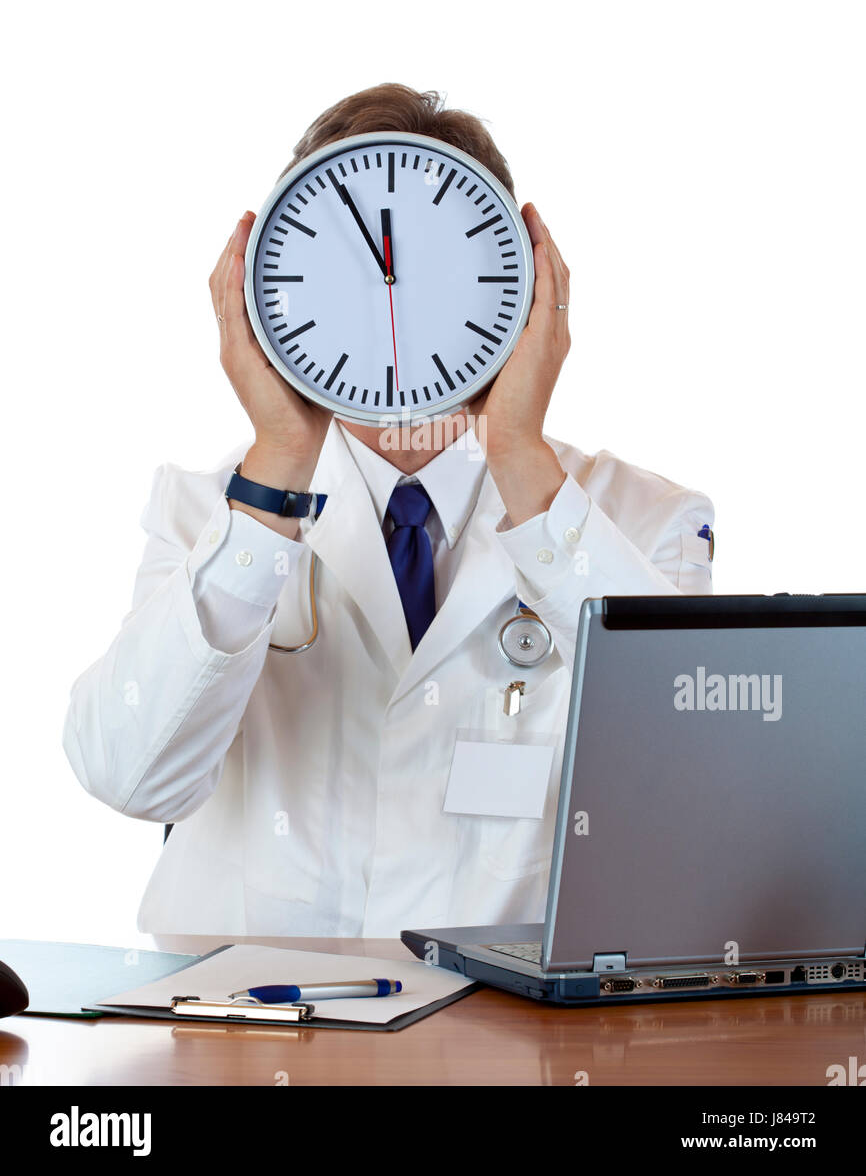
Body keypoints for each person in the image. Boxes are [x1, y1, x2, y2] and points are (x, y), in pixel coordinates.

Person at [63, 82, 714, 938]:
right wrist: (274, 479)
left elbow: (691, 797)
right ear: (266, 297)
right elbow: (129, 777)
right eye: (342, 278)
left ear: (518, 285)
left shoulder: (644, 519)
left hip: (504, 1058)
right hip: (245, 1048)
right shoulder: (206, 514)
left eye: (447, 277)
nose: (393, 298)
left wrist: (523, 459)